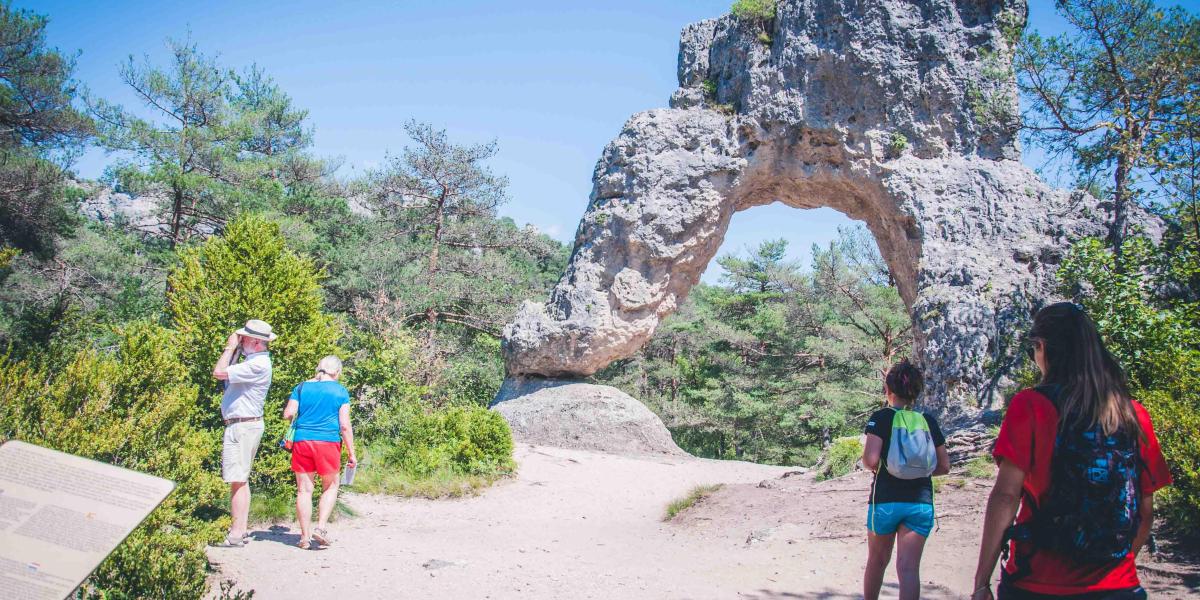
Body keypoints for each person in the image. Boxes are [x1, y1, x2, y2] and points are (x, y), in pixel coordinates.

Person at [970, 302, 1173, 600]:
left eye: (1033, 351)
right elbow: (1145, 511)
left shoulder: (1031, 406)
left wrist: (981, 582)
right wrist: (1115, 560)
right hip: (1119, 585)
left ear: (1042, 347)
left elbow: (1006, 496)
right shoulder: (1133, 415)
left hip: (1036, 581)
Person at [861, 359, 951, 600]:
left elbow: (870, 460)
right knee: (909, 569)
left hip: (885, 501)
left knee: (877, 561)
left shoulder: (881, 418)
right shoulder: (928, 421)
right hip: (920, 502)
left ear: (888, 390)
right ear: (916, 392)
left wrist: (890, 467)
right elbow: (944, 466)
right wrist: (916, 470)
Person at [211, 319, 276, 548]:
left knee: (237, 479)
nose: (241, 341)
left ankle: (236, 533)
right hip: (244, 424)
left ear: (256, 342)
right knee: (240, 479)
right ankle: (240, 528)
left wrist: (229, 348)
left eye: (245, 338)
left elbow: (219, 372)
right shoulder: (253, 361)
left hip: (243, 425)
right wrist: (238, 351)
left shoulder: (257, 365)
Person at [283, 355, 357, 550]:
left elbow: (288, 414)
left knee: (304, 490)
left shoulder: (301, 387)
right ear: (337, 372)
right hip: (328, 442)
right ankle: (321, 527)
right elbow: (344, 425)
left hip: (302, 441)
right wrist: (351, 453)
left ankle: (304, 536)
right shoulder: (340, 391)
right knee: (331, 485)